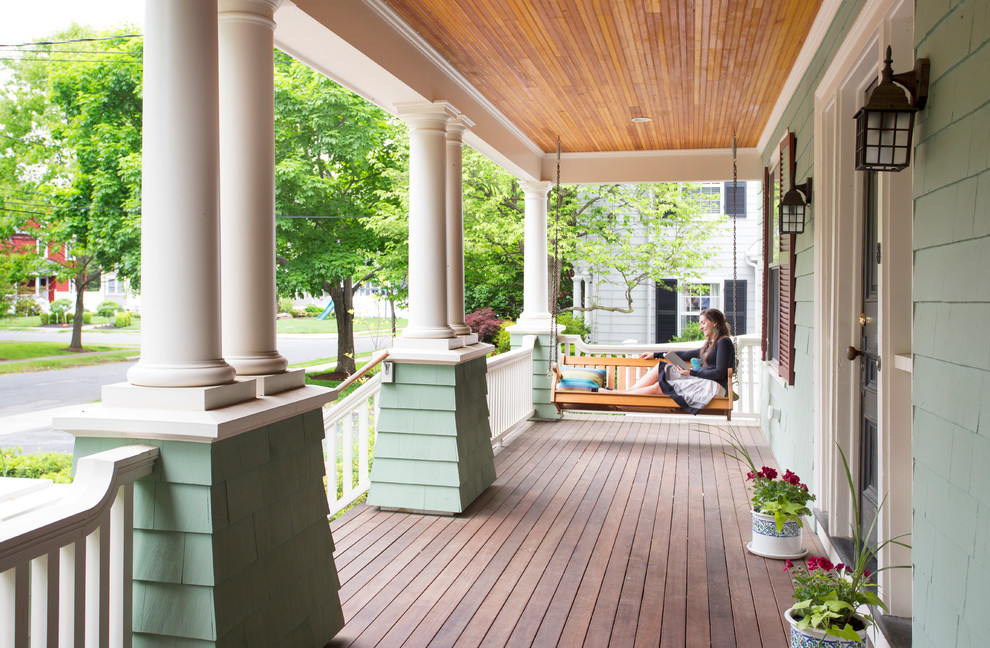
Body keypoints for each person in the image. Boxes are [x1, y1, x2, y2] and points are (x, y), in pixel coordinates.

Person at [613, 307, 735, 413]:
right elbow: (685, 354)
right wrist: (655, 355)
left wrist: (691, 372)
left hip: (711, 387)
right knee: (660, 367)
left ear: (715, 323)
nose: (700, 328)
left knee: (659, 387)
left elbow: (719, 373)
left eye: (703, 323)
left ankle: (618, 397)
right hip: (702, 382)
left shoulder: (724, 342)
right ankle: (623, 394)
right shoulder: (711, 344)